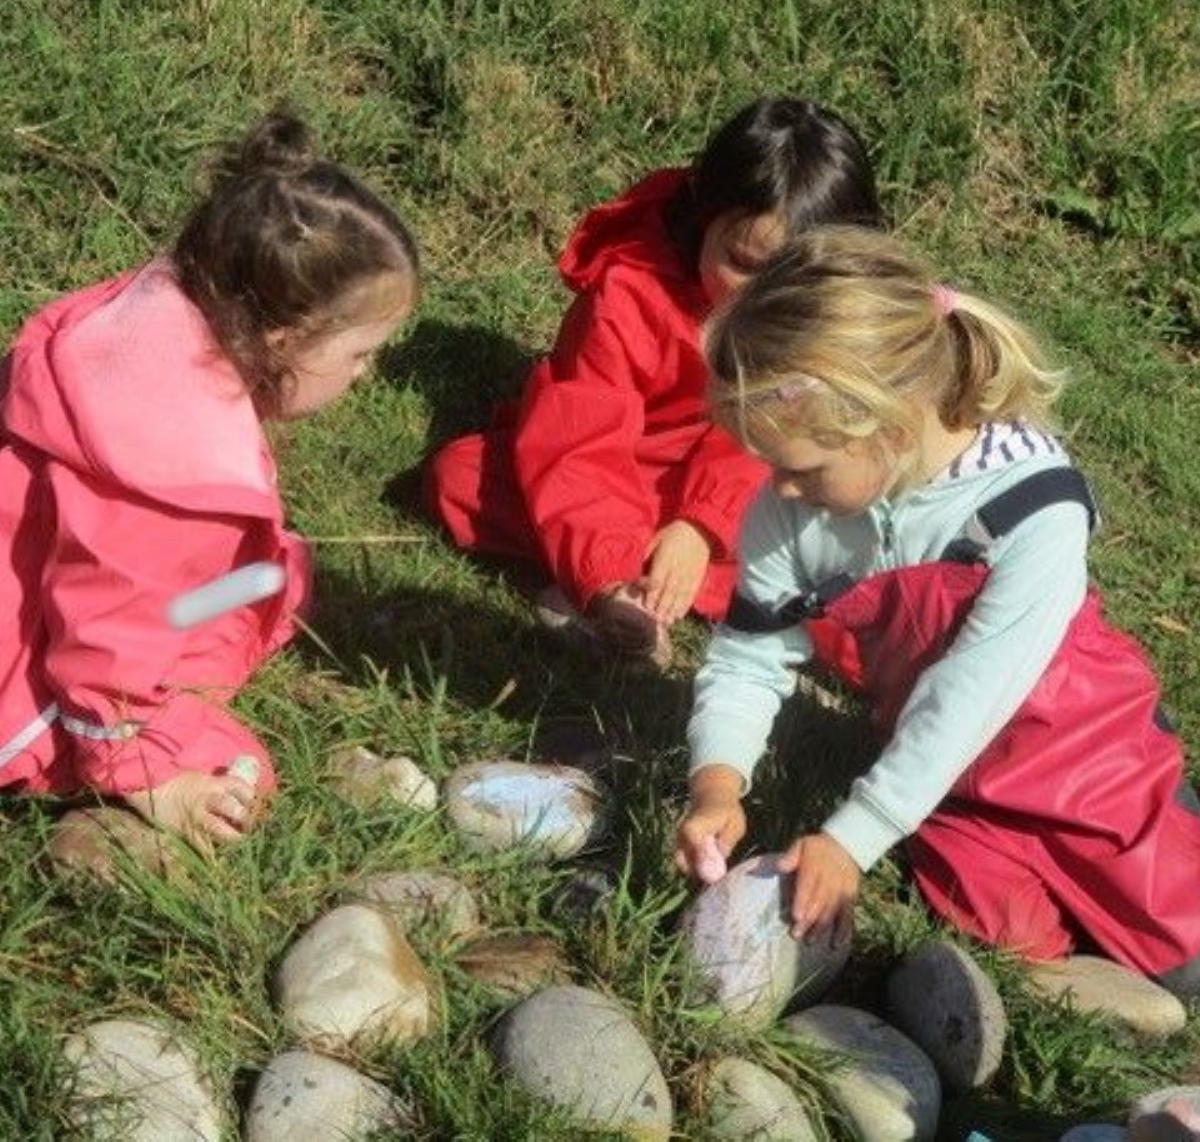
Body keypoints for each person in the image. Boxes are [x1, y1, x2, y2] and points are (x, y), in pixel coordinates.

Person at [675, 227, 1200, 995]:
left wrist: (853, 839)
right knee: (1004, 935)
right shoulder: (792, 509)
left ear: (883, 425)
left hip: (1085, 757)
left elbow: (970, 697)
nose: (780, 490)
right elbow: (750, 656)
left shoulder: (1033, 508)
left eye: (801, 469)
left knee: (1182, 948)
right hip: (950, 782)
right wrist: (715, 785)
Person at [0, 112, 419, 846]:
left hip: (33, 566)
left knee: (262, 579)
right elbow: (107, 640)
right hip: (28, 661)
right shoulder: (173, 484)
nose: (367, 374)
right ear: (285, 342)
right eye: (359, 355)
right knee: (236, 771)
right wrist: (152, 777)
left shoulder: (144, 329)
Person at [424, 97, 882, 664]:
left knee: (837, 529)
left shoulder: (809, 316)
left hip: (747, 489)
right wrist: (610, 572)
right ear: (701, 214)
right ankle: (627, 592)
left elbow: (776, 442)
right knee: (464, 478)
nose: (758, 297)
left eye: (790, 280)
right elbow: (579, 441)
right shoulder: (627, 295)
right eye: (740, 261)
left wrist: (700, 527)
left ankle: (897, 651)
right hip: (620, 472)